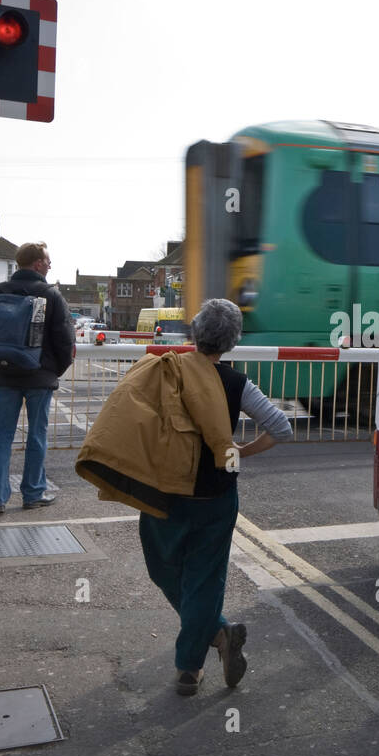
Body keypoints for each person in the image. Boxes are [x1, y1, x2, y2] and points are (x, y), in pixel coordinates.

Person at [138, 298, 292, 695]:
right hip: (215, 496)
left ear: (193, 331)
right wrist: (243, 452)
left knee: (163, 569)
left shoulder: (165, 371)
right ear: (232, 342)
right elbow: (281, 428)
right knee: (203, 582)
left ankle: (189, 668)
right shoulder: (237, 383)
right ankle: (219, 633)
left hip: (164, 491)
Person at [0, 241, 75, 515]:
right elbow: (65, 340)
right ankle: (32, 493)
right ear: (38, 264)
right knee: (36, 436)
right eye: (48, 261)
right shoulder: (51, 295)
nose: (50, 265)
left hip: (4, 374)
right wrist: (54, 371)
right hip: (39, 376)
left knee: (1, 437)